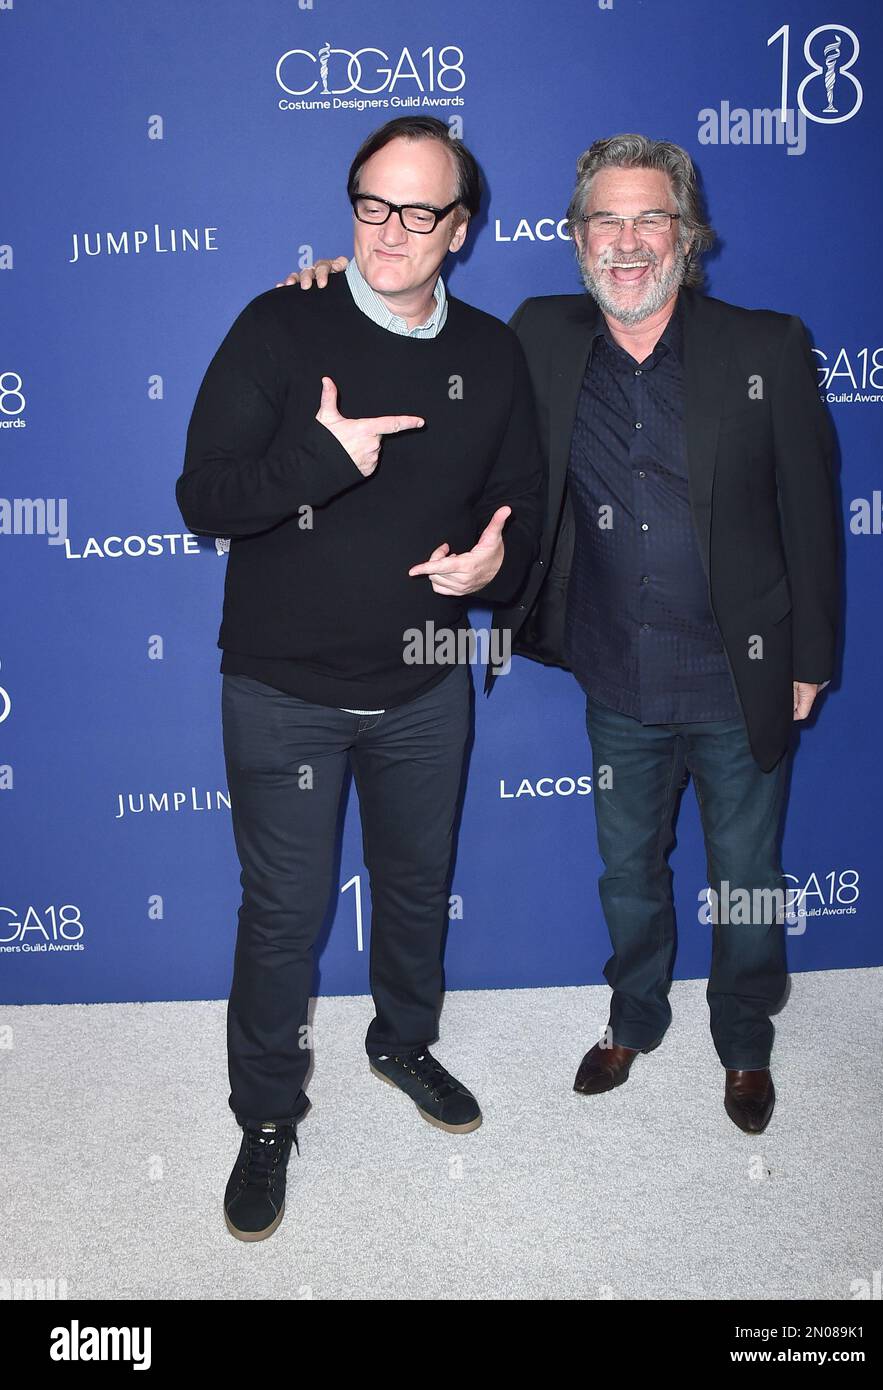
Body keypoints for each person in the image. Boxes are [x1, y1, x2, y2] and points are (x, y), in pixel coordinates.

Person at [288, 133, 839, 1137]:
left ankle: (746, 1034)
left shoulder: (765, 345)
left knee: (748, 879)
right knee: (627, 868)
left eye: (649, 219)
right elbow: (423, 322)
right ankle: (635, 1016)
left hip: (738, 676)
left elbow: (811, 510)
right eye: (605, 221)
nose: (627, 242)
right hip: (616, 675)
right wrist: (341, 288)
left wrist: (811, 660)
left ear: (686, 234)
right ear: (577, 238)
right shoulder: (539, 335)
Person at [177, 116, 544, 1241]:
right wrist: (322, 463)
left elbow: (524, 512)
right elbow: (205, 500)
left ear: (461, 229)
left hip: (427, 682)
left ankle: (403, 1039)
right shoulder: (280, 324)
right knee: (284, 917)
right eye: (372, 206)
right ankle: (269, 1113)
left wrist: (495, 564)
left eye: (418, 210)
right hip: (284, 687)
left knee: (416, 886)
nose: (390, 230)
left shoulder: (492, 352)